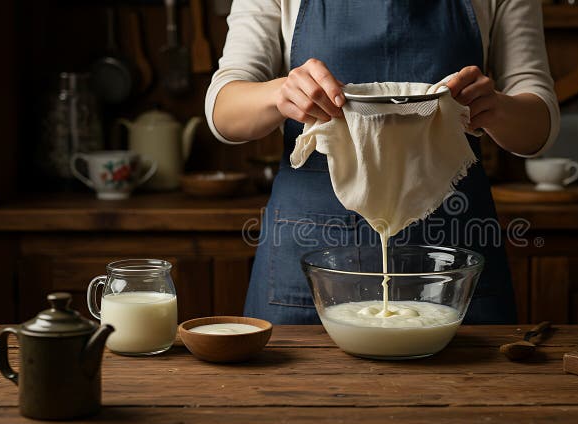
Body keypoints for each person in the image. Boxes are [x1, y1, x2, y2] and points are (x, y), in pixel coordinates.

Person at [205, 0, 560, 325]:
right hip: (310, 253)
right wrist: (280, 93)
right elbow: (223, 110)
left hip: (450, 259)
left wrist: (497, 108)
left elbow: (539, 122)